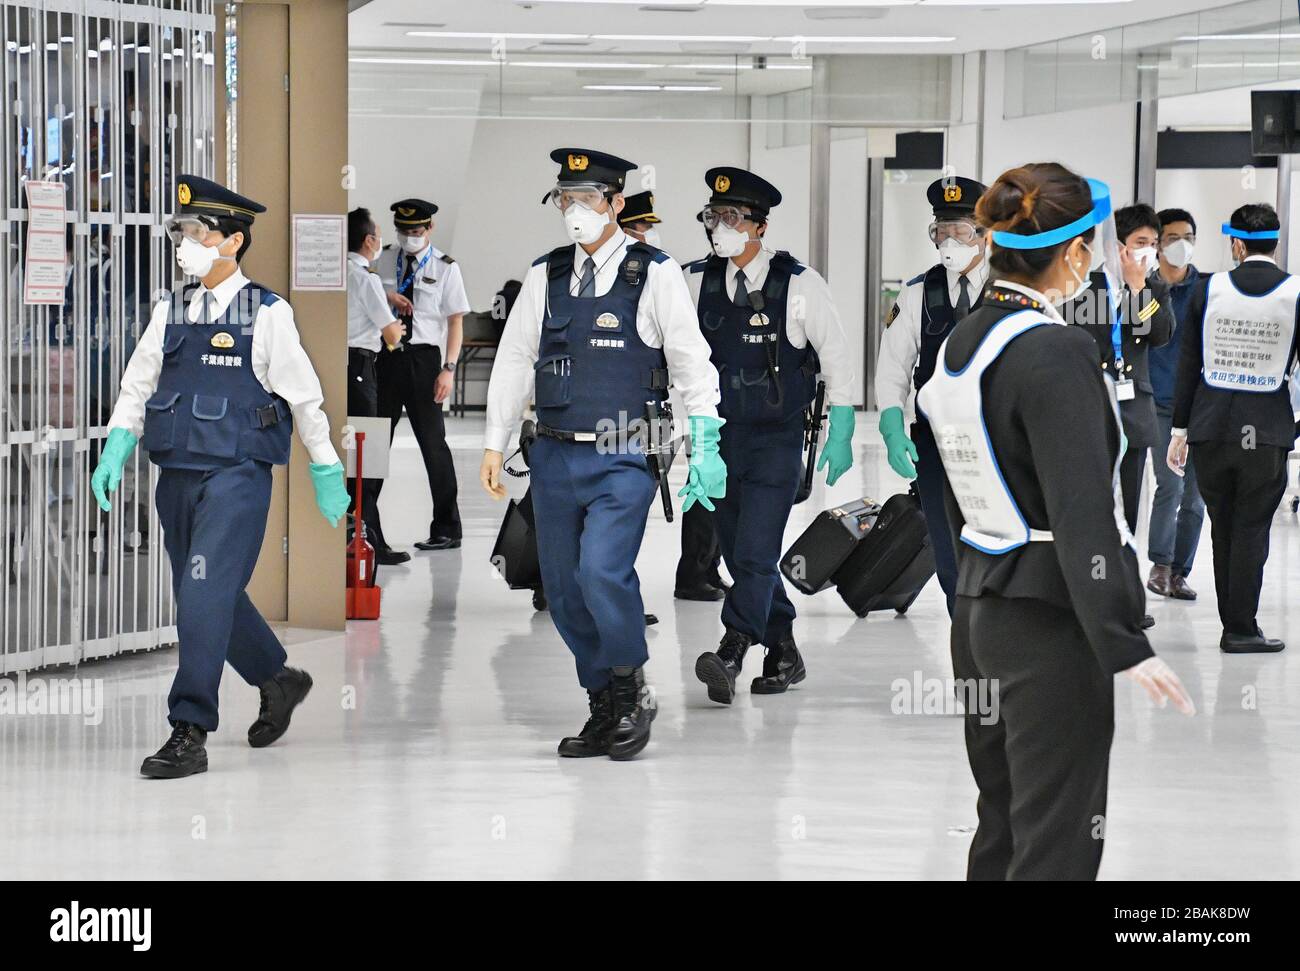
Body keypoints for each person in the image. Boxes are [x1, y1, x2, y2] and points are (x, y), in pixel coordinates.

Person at [917, 163, 1193, 880]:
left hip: (978, 614)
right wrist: (1123, 638)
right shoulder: (1055, 350)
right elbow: (1084, 518)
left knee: (1005, 821)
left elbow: (954, 493)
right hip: (1048, 623)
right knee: (1059, 840)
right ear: (1072, 255)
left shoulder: (961, 344)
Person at [90, 175, 350, 779]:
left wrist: (326, 468)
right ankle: (278, 680)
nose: (186, 240)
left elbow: (305, 398)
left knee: (202, 594)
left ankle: (189, 728)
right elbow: (138, 385)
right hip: (176, 474)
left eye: (198, 230)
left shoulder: (267, 314)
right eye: (183, 230)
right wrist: (115, 449)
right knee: (206, 593)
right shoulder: (170, 308)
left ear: (232, 241)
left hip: (236, 476)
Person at [480, 148, 725, 761]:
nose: (575, 211)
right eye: (566, 198)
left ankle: (630, 686)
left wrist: (705, 441)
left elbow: (692, 362)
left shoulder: (656, 273)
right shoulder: (546, 275)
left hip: (626, 451)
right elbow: (514, 360)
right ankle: (602, 700)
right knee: (562, 590)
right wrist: (494, 440)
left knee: (601, 572)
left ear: (617, 204)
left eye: (588, 199)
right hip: (555, 458)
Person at [685, 166, 855, 705]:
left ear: (759, 225)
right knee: (739, 554)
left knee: (756, 551)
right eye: (713, 216)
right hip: (716, 441)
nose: (719, 227)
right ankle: (783, 649)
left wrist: (843, 425)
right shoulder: (696, 281)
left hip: (777, 439)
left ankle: (733, 647)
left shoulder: (799, 284)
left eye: (731, 217)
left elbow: (836, 357)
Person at [1168, 204, 1298, 653]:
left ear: (1236, 244)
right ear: (1276, 244)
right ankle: (1241, 628)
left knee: (1222, 526)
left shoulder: (1211, 289)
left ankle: (1232, 624)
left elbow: (1189, 364)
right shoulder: (1296, 292)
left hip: (1209, 429)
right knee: (1252, 529)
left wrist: (1178, 430)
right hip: (1266, 434)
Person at [875, 176, 988, 615]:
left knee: (992, 541)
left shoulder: (1009, 288)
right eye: (940, 230)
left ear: (985, 233)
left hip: (995, 440)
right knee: (947, 547)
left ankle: (994, 632)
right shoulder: (919, 291)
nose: (948, 240)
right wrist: (890, 422)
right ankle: (966, 633)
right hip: (936, 441)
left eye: (959, 230)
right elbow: (894, 365)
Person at [1063, 203, 1175, 630]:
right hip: (1086, 411)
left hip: (1132, 414)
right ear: (1117, 245)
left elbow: (1159, 334)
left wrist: (1137, 289)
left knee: (1127, 512)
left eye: (1153, 245)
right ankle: (1085, 595)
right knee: (1086, 510)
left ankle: (1126, 600)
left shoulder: (1153, 287)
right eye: (1140, 244)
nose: (1148, 252)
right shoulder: (1081, 287)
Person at [619, 189, 729, 601]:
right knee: (629, 498)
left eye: (647, 229)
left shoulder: (664, 272)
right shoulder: (681, 275)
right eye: (636, 229)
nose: (645, 238)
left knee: (706, 484)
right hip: (652, 402)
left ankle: (702, 569)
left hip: (697, 397)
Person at [375, 198, 468, 550]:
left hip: (425, 361)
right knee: (376, 443)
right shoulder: (383, 258)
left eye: (416, 231)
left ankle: (447, 528)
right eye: (403, 231)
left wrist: (448, 369)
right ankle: (364, 525)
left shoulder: (446, 268)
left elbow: (455, 320)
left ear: (430, 229)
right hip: (385, 357)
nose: (409, 238)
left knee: (433, 446)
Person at [1145, 208, 1204, 601]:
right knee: (1170, 484)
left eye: (1187, 236)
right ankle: (1160, 565)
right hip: (1157, 403)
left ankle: (1180, 572)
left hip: (1200, 408)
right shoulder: (1146, 291)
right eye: (1171, 237)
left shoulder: (1207, 290)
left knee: (1197, 497)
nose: (1180, 244)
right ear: (1159, 244)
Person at [346, 207, 408, 565]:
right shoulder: (366, 278)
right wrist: (397, 330)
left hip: (343, 365)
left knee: (354, 458)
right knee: (366, 459)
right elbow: (388, 333)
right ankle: (370, 542)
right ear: (370, 240)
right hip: (361, 368)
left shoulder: (344, 272)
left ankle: (365, 537)